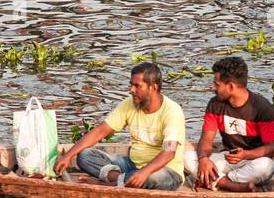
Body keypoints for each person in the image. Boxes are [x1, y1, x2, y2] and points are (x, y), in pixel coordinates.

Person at [54, 62, 185, 190]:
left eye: (137, 86)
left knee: (154, 178)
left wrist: (144, 173)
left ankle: (107, 184)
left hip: (165, 172)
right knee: (84, 156)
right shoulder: (130, 104)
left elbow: (169, 152)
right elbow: (100, 131)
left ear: (153, 87)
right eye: (131, 85)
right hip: (133, 165)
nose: (131, 90)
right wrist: (68, 155)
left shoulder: (172, 111)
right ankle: (123, 180)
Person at [186, 56, 274, 192]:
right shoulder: (215, 104)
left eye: (217, 84)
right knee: (186, 157)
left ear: (230, 86)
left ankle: (215, 181)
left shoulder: (262, 108)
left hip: (253, 160)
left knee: (267, 167)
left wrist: (245, 155)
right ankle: (231, 185)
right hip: (227, 158)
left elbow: (273, 148)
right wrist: (203, 159)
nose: (213, 88)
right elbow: (206, 141)